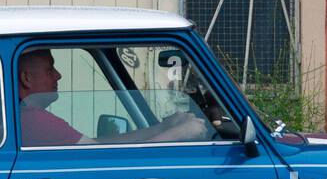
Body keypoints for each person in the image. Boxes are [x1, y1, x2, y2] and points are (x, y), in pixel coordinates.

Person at [17, 49, 212, 146]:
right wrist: (180, 133)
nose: (58, 75)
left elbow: (98, 146)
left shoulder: (6, 115)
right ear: (26, 78)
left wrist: (162, 127)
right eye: (50, 70)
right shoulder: (33, 120)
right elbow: (99, 157)